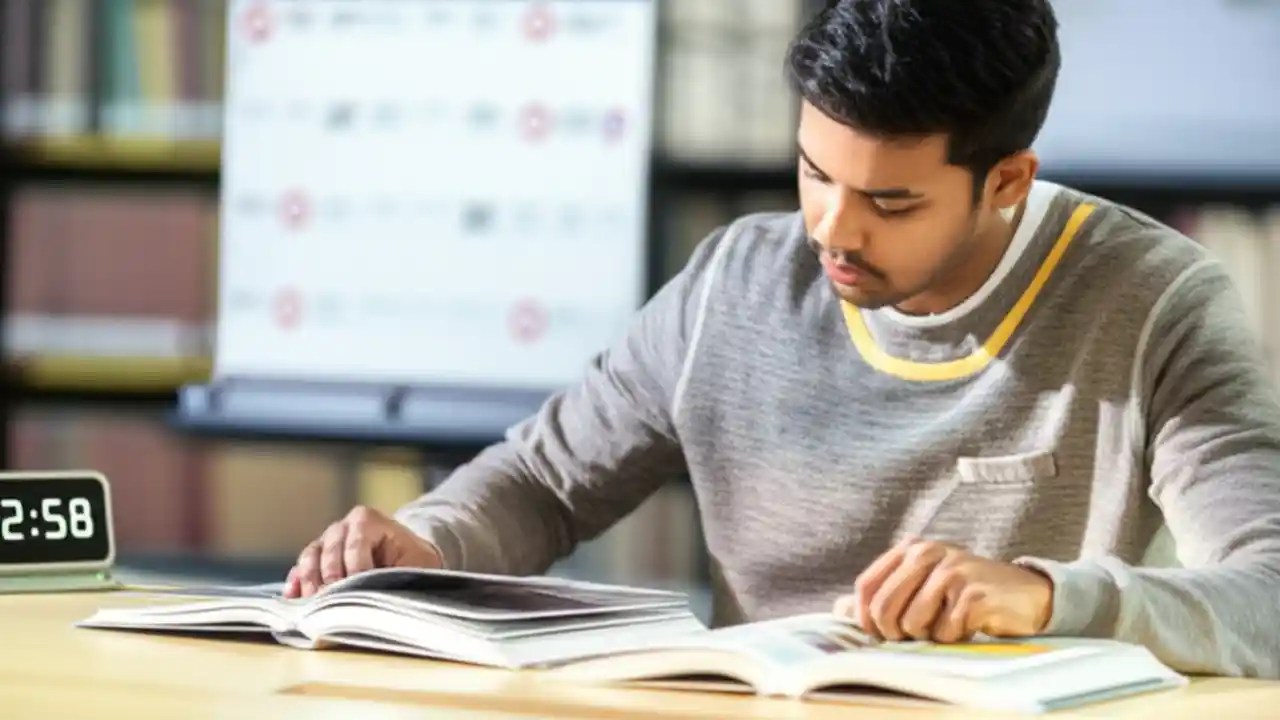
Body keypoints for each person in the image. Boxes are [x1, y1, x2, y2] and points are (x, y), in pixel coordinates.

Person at [284, 0, 1280, 678]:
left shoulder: (1153, 301)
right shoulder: (736, 281)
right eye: (813, 172)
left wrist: (1040, 594)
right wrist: (428, 539)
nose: (832, 231)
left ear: (1006, 182)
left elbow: (1264, 601)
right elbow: (543, 483)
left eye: (889, 201)